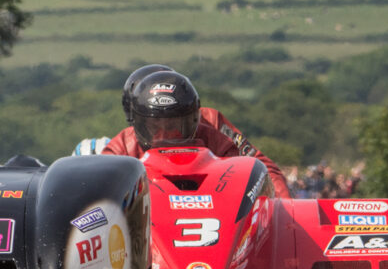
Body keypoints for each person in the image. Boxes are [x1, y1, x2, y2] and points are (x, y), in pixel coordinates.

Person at [101, 67, 291, 198]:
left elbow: (255, 167)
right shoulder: (123, 144)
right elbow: (101, 186)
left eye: (173, 123)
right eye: (154, 124)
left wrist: (285, 210)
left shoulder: (213, 126)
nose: (164, 134)